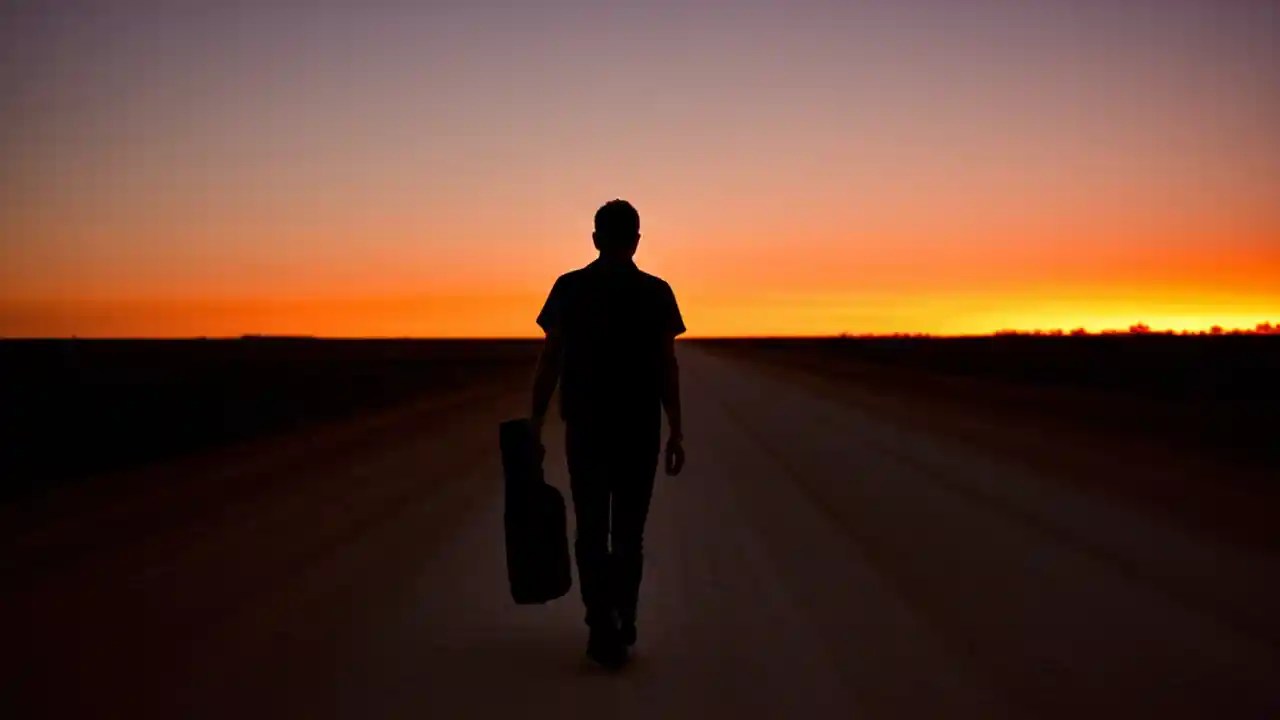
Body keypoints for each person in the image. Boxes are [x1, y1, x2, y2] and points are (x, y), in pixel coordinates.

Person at [529, 199, 686, 669]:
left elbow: (550, 359)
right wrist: (676, 429)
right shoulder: (657, 292)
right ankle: (622, 615)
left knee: (592, 530)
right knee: (628, 535)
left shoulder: (569, 288)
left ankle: (601, 621)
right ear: (636, 240)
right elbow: (666, 366)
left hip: (587, 428)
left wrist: (535, 420)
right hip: (639, 429)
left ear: (595, 238)